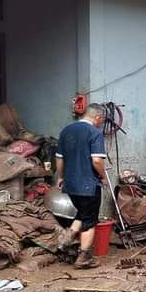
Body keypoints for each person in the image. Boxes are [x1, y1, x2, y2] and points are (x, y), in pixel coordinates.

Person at [55, 103, 107, 269]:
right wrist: (103, 176)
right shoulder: (94, 133)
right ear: (97, 117)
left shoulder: (66, 131)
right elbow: (97, 160)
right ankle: (84, 257)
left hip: (70, 184)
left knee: (83, 212)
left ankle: (66, 239)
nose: (101, 123)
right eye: (102, 120)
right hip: (88, 184)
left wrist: (60, 177)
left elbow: (59, 158)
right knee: (90, 220)